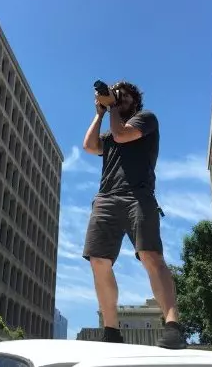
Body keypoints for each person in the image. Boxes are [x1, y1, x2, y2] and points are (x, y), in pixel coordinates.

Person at [82, 81, 186, 349]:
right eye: (116, 95)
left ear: (135, 101)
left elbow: (123, 135)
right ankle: (111, 330)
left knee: (151, 256)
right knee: (98, 261)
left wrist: (113, 106)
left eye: (124, 96)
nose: (119, 98)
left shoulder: (146, 119)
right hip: (106, 197)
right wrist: (100, 113)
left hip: (138, 196)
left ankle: (173, 324)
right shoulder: (110, 128)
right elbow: (90, 146)